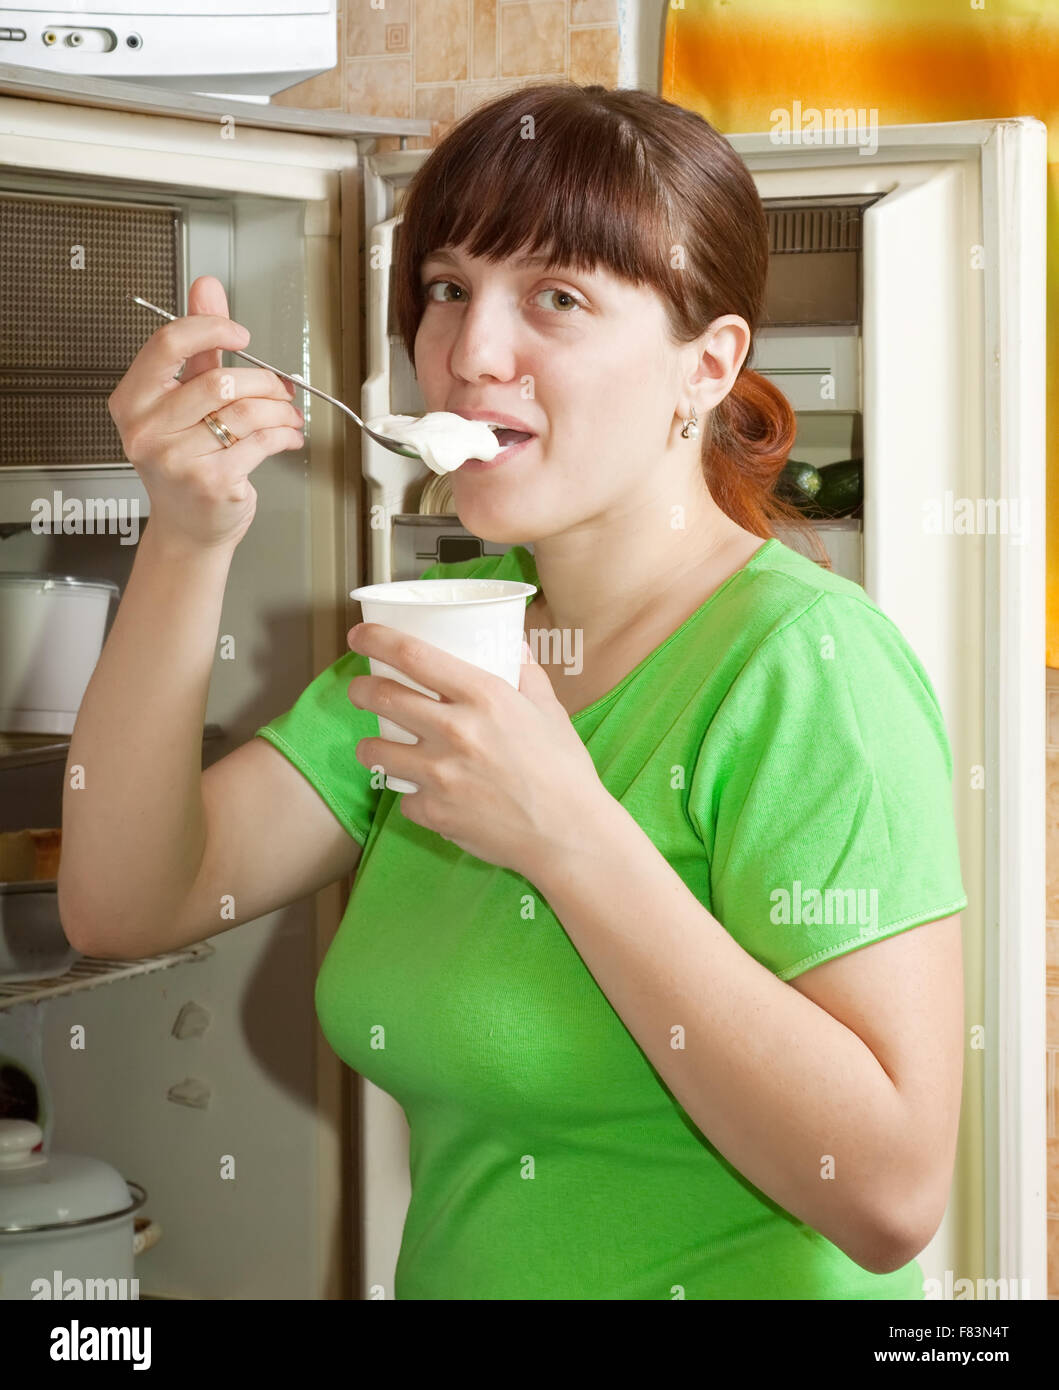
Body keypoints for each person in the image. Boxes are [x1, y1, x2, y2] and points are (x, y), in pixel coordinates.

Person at [61, 82, 967, 1300]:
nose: (469, 356)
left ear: (708, 365)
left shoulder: (806, 668)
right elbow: (127, 902)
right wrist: (185, 538)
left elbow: (890, 1197)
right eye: (447, 286)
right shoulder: (454, 638)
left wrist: (570, 836)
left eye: (558, 297)